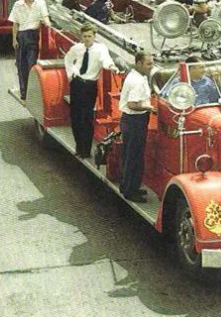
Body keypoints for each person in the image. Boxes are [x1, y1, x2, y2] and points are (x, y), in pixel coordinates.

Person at [64, 25, 118, 159]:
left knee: (87, 118)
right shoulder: (77, 48)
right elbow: (68, 59)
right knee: (75, 117)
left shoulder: (100, 49)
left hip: (89, 86)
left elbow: (106, 60)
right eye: (84, 36)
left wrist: (111, 67)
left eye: (89, 36)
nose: (87, 39)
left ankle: (86, 150)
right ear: (81, 37)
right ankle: (79, 146)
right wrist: (70, 75)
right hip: (77, 83)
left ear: (94, 36)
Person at [118, 52, 154, 202]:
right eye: (148, 64)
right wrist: (150, 108)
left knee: (130, 155)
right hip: (135, 121)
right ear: (138, 63)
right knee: (134, 156)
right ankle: (130, 192)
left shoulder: (138, 77)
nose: (151, 67)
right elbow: (132, 104)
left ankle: (127, 185)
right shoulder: (137, 81)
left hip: (131, 121)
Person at [8, 0, 50, 101]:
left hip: (34, 35)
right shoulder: (18, 4)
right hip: (21, 35)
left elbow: (45, 17)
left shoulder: (41, 3)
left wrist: (48, 25)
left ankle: (32, 93)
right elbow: (15, 23)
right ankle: (24, 92)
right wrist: (14, 39)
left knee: (32, 65)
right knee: (21, 65)